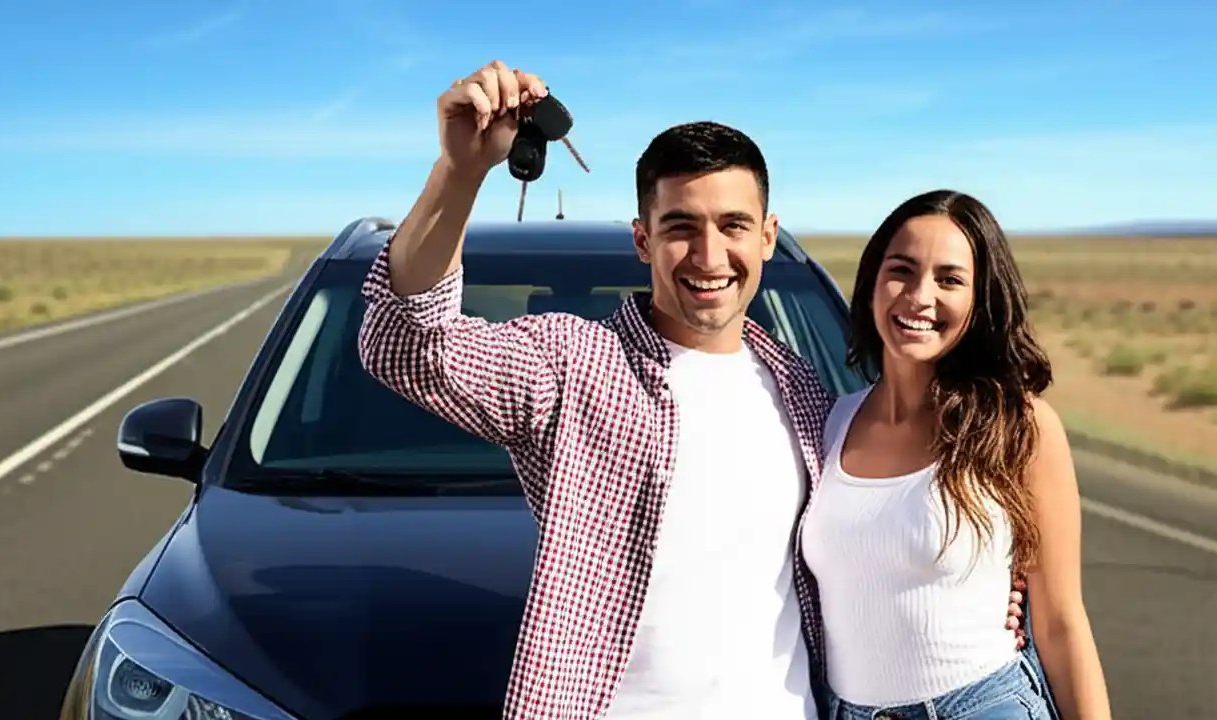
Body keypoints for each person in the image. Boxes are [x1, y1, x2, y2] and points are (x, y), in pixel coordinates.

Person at [356, 60, 1026, 719]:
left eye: (733, 226)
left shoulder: (802, 392)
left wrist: (993, 585)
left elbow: (877, 540)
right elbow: (405, 345)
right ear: (643, 241)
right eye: (681, 228)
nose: (709, 258)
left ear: (767, 237)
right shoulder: (573, 364)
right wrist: (460, 172)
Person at [801, 189, 1113, 719]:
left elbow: (1062, 623)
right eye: (902, 270)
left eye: (949, 279)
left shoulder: (1019, 428)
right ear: (873, 280)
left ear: (979, 299)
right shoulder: (828, 424)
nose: (920, 297)